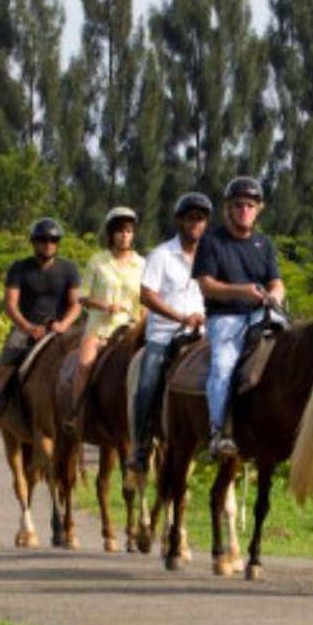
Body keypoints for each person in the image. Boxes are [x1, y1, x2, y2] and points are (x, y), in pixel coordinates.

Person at [193, 176, 286, 459]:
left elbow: (277, 282)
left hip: (263, 314)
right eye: (238, 205)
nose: (244, 210)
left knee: (298, 353)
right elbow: (206, 284)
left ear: (259, 209)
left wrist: (275, 296)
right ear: (228, 209)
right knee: (223, 366)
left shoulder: (264, 243)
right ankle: (218, 431)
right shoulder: (212, 241)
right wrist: (242, 291)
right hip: (225, 317)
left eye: (250, 205)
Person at [0, 217, 82, 449]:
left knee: (84, 364)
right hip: (26, 328)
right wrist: (28, 327)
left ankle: (84, 418)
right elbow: (11, 304)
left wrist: (63, 324)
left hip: (60, 329)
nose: (48, 244)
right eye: (42, 240)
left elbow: (76, 304)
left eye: (53, 240)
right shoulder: (19, 268)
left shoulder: (69, 268)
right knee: (3, 369)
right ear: (34, 242)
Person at [127, 192, 211, 474]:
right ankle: (140, 444)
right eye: (191, 219)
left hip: (204, 332)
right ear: (179, 221)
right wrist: (181, 317)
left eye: (201, 219)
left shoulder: (212, 256)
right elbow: (147, 296)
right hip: (165, 332)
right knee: (148, 378)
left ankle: (223, 434)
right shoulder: (161, 255)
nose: (196, 224)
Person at [73, 207, 145, 403]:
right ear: (111, 234)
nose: (124, 235)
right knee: (84, 365)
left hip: (131, 331)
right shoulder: (97, 261)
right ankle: (75, 413)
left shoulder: (142, 264)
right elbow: (83, 296)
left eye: (128, 231)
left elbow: (145, 301)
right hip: (100, 331)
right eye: (120, 231)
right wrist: (104, 306)